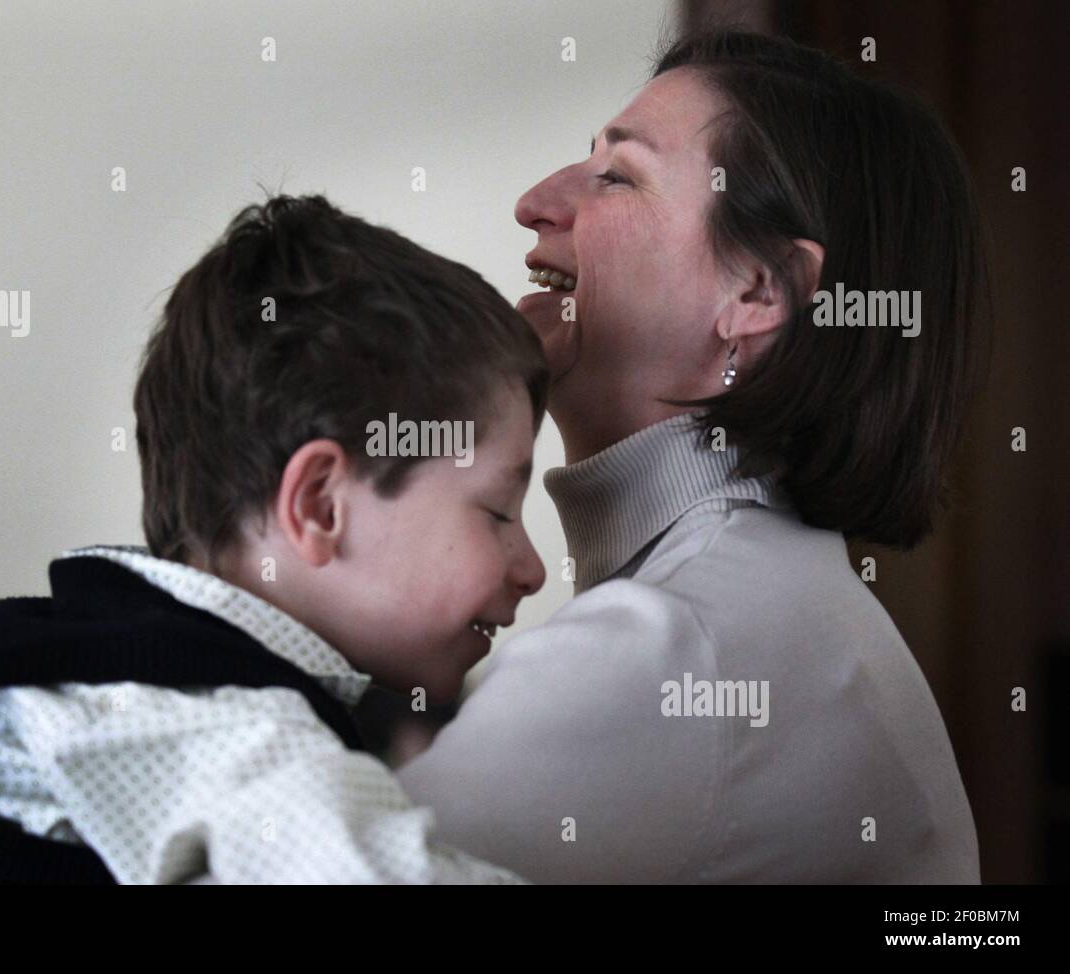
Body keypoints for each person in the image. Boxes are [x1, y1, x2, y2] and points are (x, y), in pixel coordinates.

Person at [397, 28, 989, 883]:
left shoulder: (674, 646)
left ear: (758, 290)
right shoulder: (749, 598)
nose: (535, 202)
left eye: (616, 176)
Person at [0, 193, 548, 884]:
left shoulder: (136, 674)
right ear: (319, 506)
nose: (534, 569)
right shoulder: (211, 721)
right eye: (497, 510)